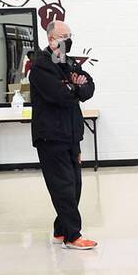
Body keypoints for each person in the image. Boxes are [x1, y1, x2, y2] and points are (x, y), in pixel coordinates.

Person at [30, 19, 97, 250]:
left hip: (71, 135)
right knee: (63, 187)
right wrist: (74, 88)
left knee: (74, 185)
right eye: (64, 35)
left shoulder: (68, 62)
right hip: (51, 137)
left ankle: (60, 231)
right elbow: (60, 96)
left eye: (70, 34)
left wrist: (74, 86)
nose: (69, 39)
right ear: (51, 39)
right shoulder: (40, 66)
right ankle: (72, 236)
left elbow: (89, 86)